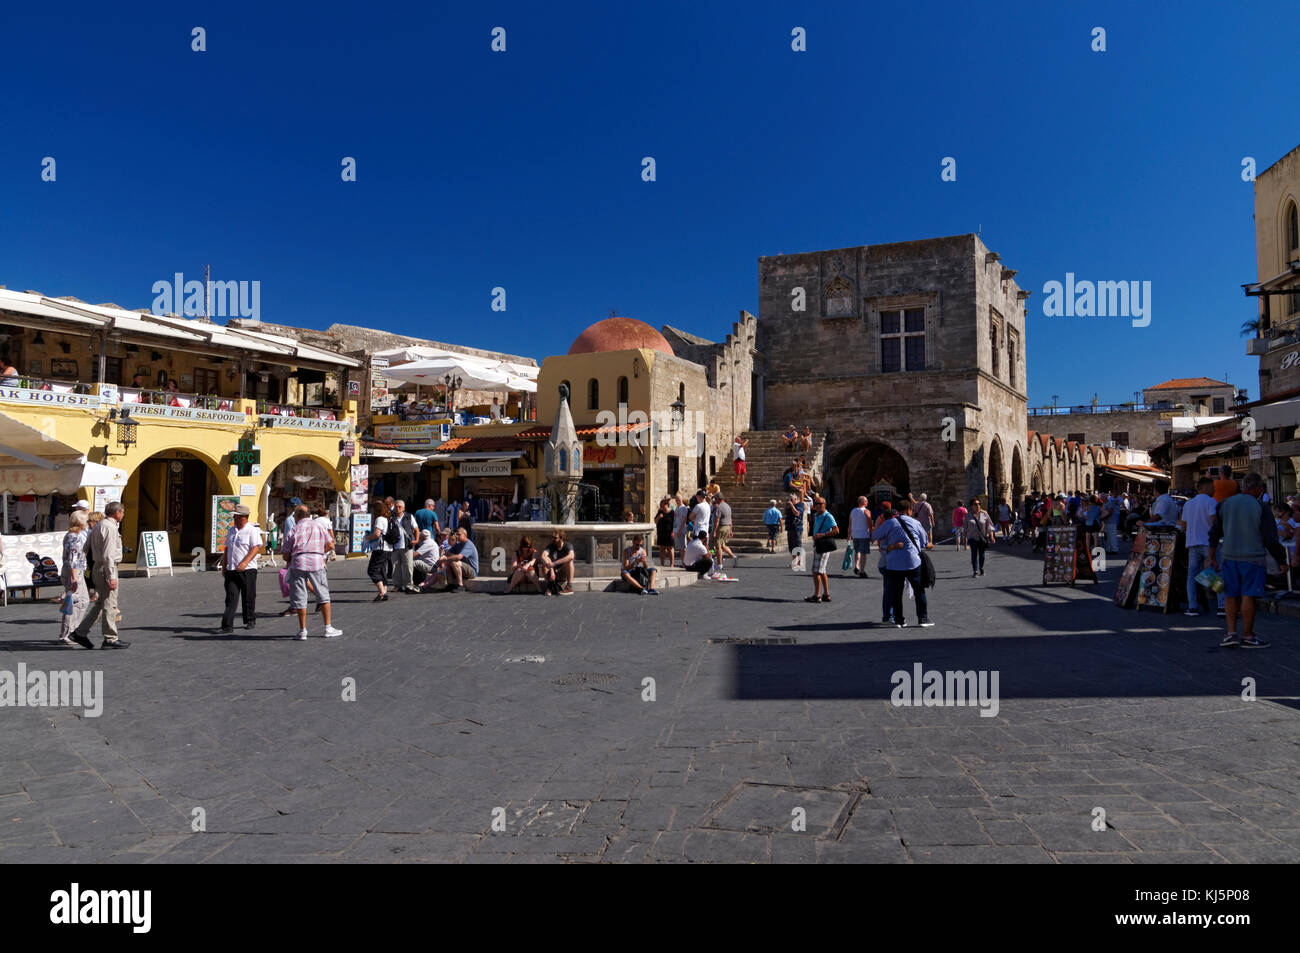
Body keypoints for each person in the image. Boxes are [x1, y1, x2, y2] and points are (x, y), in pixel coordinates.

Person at [1211, 472, 1285, 649]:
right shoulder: (1261, 506)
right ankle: (1248, 635)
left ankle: (1231, 633)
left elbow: (1214, 533)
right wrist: (1282, 560)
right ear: (1258, 488)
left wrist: (1211, 556)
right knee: (1248, 595)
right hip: (1253, 557)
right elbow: (1270, 538)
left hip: (1228, 556)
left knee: (1230, 594)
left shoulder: (1225, 504)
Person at [69, 501, 128, 649]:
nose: (123, 514)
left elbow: (86, 547)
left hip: (97, 566)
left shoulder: (98, 526)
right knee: (109, 603)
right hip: (106, 567)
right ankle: (110, 638)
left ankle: (80, 632)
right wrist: (111, 576)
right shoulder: (110, 527)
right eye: (122, 512)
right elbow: (108, 555)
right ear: (117, 513)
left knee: (102, 603)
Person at [282, 503, 340, 639]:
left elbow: (285, 554)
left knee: (300, 597)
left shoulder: (294, 530)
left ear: (296, 516)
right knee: (323, 594)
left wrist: (292, 556)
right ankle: (327, 627)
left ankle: (302, 630)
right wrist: (319, 552)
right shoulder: (319, 526)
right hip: (316, 562)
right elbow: (330, 544)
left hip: (298, 563)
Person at [876, 499, 934, 628]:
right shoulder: (915, 522)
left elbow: (875, 535)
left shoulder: (889, 523)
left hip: (894, 564)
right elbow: (925, 542)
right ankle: (923, 619)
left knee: (897, 593)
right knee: (919, 591)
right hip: (912, 562)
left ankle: (899, 620)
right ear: (909, 510)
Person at [218, 504, 263, 633]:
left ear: (244, 517)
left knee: (248, 595)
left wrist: (245, 563)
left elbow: (255, 548)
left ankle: (249, 619)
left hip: (248, 569)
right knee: (231, 597)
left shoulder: (252, 530)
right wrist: (224, 565)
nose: (234, 519)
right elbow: (227, 549)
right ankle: (227, 625)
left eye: (236, 516)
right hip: (231, 569)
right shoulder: (231, 530)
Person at [1180, 477, 1218, 617]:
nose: (1214, 489)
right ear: (1205, 487)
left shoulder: (1188, 504)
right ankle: (1221, 606)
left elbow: (1183, 526)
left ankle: (1192, 606)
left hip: (1192, 543)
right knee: (1215, 572)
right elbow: (1214, 521)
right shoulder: (1211, 502)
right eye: (1212, 487)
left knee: (1191, 576)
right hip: (1208, 543)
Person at [57, 511, 90, 645]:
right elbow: (72, 559)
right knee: (76, 601)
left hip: (75, 571)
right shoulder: (74, 537)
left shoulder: (72, 535)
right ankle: (68, 633)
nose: (87, 523)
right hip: (74, 572)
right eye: (86, 521)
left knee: (82, 600)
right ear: (81, 522)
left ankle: (71, 631)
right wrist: (74, 577)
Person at [806, 495, 838, 603]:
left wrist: (822, 535)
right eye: (816, 504)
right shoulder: (816, 515)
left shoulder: (828, 516)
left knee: (816, 571)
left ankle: (817, 595)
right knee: (822, 570)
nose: (817, 506)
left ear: (824, 505)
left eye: (820, 504)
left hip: (823, 545)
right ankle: (826, 594)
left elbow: (836, 530)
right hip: (818, 544)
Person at [365, 499, 393, 602]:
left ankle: (382, 592)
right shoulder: (387, 518)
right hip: (388, 548)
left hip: (380, 548)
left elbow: (377, 534)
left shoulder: (379, 519)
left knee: (372, 570)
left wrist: (368, 537)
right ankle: (384, 591)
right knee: (382, 570)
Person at [390, 500, 420, 594]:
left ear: (404, 508)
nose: (398, 508)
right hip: (395, 546)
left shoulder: (409, 516)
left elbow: (416, 529)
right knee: (395, 566)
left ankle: (408, 585)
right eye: (396, 507)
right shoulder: (391, 517)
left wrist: (417, 540)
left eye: (400, 507)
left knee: (408, 566)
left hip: (407, 545)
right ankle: (397, 585)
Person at [438, 527, 479, 592]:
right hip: (462, 568)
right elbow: (447, 554)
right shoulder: (458, 544)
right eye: (456, 534)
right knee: (448, 562)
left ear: (465, 535)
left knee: (454, 562)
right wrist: (441, 558)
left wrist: (445, 559)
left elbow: (459, 557)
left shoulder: (468, 544)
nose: (457, 536)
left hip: (472, 571)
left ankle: (461, 585)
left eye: (459, 534)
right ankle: (450, 585)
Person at [964, 497, 996, 577]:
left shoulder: (984, 513)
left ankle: (981, 568)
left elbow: (989, 525)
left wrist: (991, 536)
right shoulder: (968, 515)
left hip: (982, 538)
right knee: (974, 554)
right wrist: (964, 539)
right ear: (972, 506)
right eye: (975, 504)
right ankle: (975, 571)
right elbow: (965, 527)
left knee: (982, 555)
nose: (978, 505)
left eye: (979, 504)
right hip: (972, 538)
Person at [539, 529, 575, 595]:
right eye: (552, 537)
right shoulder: (551, 546)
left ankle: (569, 587)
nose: (552, 539)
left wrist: (554, 563)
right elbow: (543, 556)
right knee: (544, 563)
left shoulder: (568, 545)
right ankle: (549, 586)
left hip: (563, 571)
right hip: (553, 572)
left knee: (570, 562)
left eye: (555, 538)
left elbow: (571, 556)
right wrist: (552, 569)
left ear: (561, 538)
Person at [849, 495, 872, 578]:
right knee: (863, 553)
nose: (867, 502)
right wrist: (872, 534)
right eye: (866, 501)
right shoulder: (866, 511)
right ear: (863, 502)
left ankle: (856, 566)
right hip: (864, 535)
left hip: (855, 534)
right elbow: (870, 524)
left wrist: (849, 536)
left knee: (857, 551)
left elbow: (850, 524)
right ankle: (862, 571)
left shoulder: (853, 511)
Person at [713, 491, 735, 569]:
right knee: (723, 545)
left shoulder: (719, 507)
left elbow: (717, 520)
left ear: (718, 499)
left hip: (722, 527)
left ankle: (719, 564)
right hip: (727, 527)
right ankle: (733, 556)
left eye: (715, 498)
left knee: (718, 545)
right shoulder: (728, 506)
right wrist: (731, 530)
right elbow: (730, 519)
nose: (714, 500)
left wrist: (715, 531)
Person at [784, 493, 804, 569]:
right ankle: (794, 562)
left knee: (797, 546)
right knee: (791, 547)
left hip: (797, 528)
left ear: (795, 499)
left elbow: (797, 513)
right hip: (789, 528)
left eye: (791, 499)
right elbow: (784, 513)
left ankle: (799, 562)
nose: (790, 500)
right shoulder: (789, 506)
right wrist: (786, 505)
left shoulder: (800, 505)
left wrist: (792, 505)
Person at [654, 498, 676, 567]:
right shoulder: (660, 512)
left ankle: (671, 564)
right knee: (662, 549)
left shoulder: (672, 512)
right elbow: (655, 521)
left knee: (670, 548)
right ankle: (662, 564)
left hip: (670, 533)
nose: (661, 506)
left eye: (662, 505)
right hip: (661, 532)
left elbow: (675, 523)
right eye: (661, 505)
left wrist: (673, 531)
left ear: (666, 505)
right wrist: (659, 518)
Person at [672, 493, 689, 563]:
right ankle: (683, 562)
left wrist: (679, 530)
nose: (677, 501)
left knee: (682, 548)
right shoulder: (677, 508)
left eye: (678, 500)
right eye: (676, 500)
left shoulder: (683, 508)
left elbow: (684, 520)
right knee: (680, 548)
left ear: (681, 499)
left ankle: (684, 562)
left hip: (680, 531)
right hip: (676, 529)